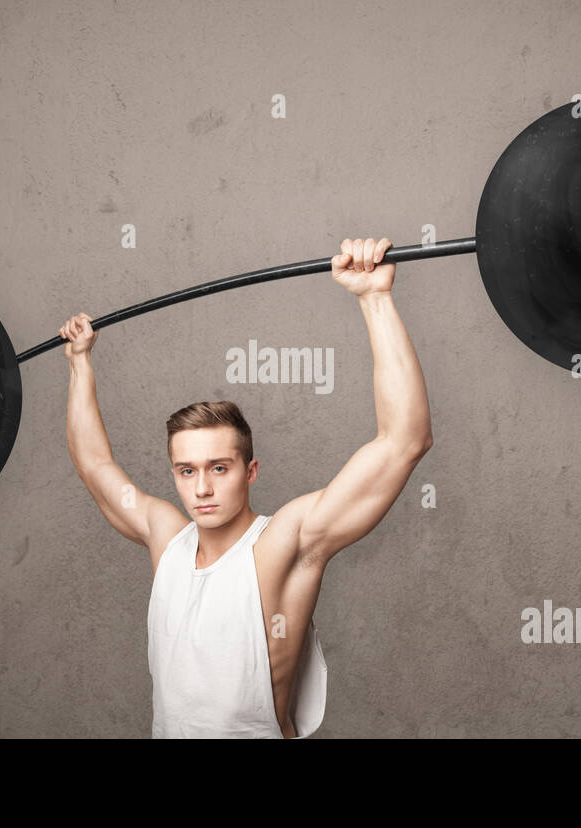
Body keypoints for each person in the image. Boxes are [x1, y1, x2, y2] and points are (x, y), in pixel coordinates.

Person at [61, 237, 433, 738]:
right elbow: (94, 464)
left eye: (219, 467)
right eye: (187, 471)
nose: (202, 488)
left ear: (250, 471)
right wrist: (80, 363)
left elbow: (403, 441)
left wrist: (374, 298)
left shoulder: (283, 544)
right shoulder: (166, 540)